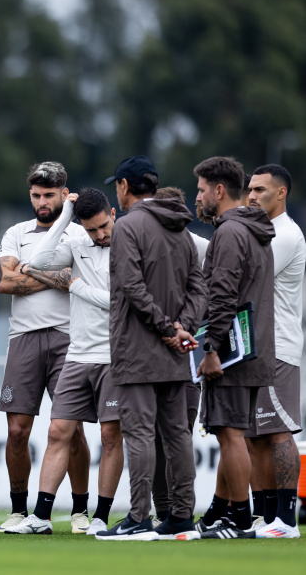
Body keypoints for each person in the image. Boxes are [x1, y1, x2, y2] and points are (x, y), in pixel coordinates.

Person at [96, 155, 206, 541]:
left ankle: (140, 516)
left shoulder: (128, 226)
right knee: (178, 434)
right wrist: (183, 328)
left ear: (124, 186)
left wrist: (164, 327)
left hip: (139, 348)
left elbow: (130, 284)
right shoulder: (181, 226)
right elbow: (199, 287)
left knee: (140, 433)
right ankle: (181, 515)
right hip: (177, 350)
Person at [6, 189, 123, 536]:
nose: (99, 235)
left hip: (114, 356)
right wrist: (66, 214)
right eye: (91, 230)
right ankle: (41, 517)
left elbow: (119, 300)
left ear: (113, 214)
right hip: (78, 353)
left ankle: (99, 517)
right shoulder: (78, 239)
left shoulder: (129, 243)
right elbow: (40, 261)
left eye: (103, 227)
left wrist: (75, 287)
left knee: (110, 435)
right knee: (58, 431)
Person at [0, 162, 92, 533]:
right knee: (17, 431)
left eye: (49, 195)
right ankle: (19, 511)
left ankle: (80, 511)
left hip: (70, 338)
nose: (41, 201)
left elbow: (82, 280)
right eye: (36, 195)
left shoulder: (79, 235)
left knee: (73, 431)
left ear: (64, 194)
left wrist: (30, 272)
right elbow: (3, 282)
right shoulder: (16, 233)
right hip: (22, 338)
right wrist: (58, 278)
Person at [193, 157, 276, 540]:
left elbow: (223, 295)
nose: (199, 196)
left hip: (231, 353)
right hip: (254, 347)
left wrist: (210, 348)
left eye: (201, 189)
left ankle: (240, 520)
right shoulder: (256, 229)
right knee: (234, 436)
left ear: (219, 191)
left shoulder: (229, 232)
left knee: (230, 435)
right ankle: (220, 513)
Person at [245, 165, 303, 538]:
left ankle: (287, 519)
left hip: (279, 347)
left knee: (278, 432)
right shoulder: (264, 230)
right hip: (257, 348)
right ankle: (266, 516)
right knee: (254, 435)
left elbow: (247, 277)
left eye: (261, 190)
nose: (251, 196)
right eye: (250, 189)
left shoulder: (285, 234)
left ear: (281, 193)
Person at [150, 186, 207, 526]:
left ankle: (173, 511)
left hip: (178, 359)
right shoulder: (194, 244)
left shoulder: (198, 246)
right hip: (169, 358)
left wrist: (176, 328)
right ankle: (169, 512)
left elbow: (210, 298)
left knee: (168, 439)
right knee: (165, 439)